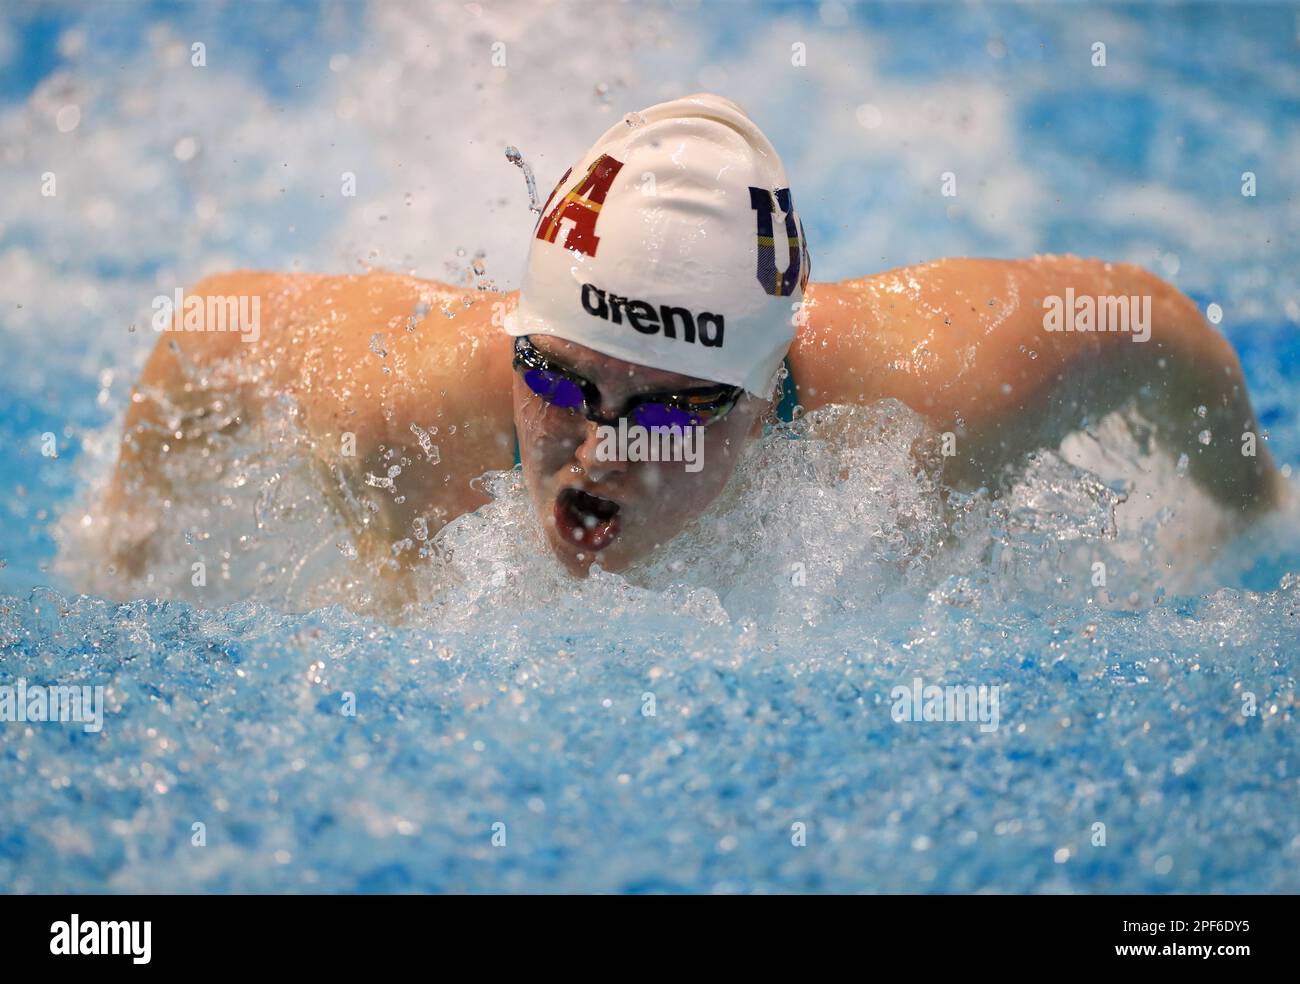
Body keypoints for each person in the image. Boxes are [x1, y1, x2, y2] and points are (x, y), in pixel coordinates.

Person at [103, 92, 1282, 596]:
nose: (600, 451)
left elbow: (1149, 318)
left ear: (771, 393)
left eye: (672, 405)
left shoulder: (933, 393)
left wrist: (1249, 509)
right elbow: (216, 328)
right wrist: (122, 541)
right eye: (561, 379)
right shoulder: (397, 409)